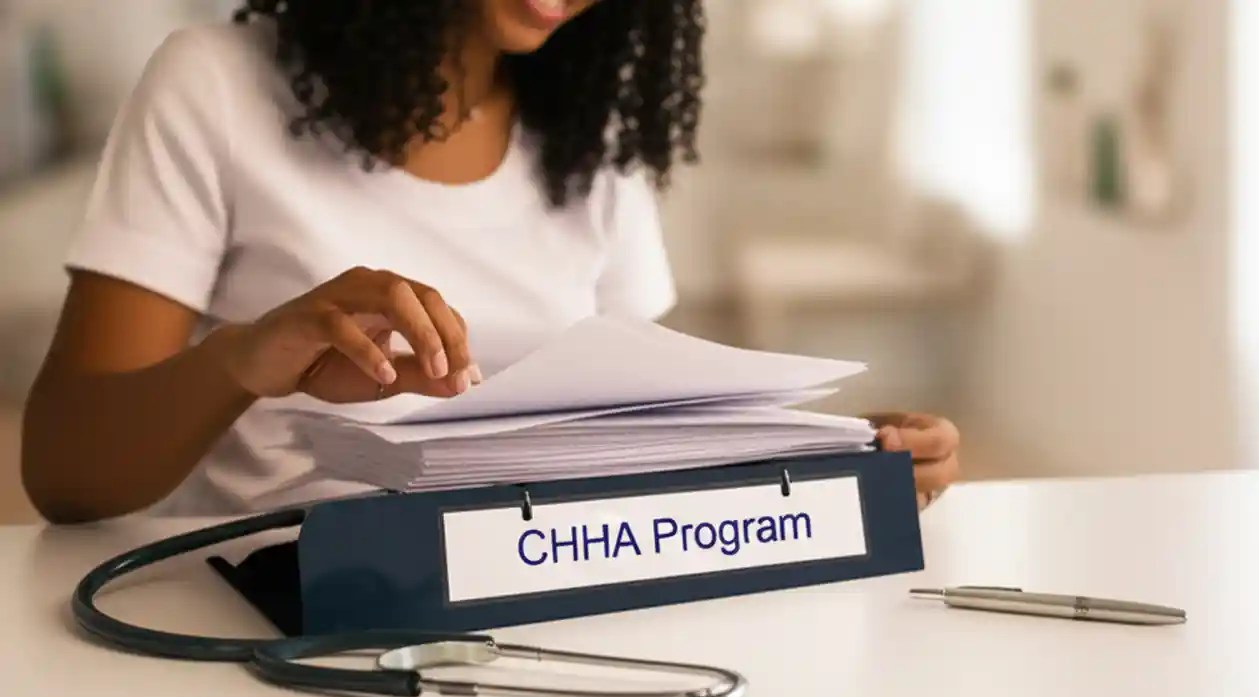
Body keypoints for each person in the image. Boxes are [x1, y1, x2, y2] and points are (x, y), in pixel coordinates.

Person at [21, 0, 960, 524]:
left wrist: (836, 458)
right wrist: (243, 359)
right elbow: (64, 473)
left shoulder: (593, 135)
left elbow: (645, 434)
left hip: (531, 601)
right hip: (274, 608)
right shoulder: (213, 85)